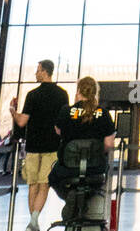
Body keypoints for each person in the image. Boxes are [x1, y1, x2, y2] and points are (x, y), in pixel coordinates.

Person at [10, 59, 70, 231]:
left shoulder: (32, 95)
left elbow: (21, 122)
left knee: (33, 185)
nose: (36, 74)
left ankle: (33, 226)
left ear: (45, 72)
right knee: (44, 184)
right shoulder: (62, 95)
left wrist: (13, 111)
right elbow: (63, 121)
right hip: (52, 146)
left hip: (33, 146)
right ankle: (33, 223)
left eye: (37, 70)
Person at [48, 75, 116, 215]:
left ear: (78, 91)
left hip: (68, 169)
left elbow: (58, 131)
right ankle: (83, 198)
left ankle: (70, 196)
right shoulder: (103, 114)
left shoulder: (66, 111)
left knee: (52, 178)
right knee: (96, 183)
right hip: (94, 169)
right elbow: (109, 144)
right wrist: (95, 153)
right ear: (95, 93)